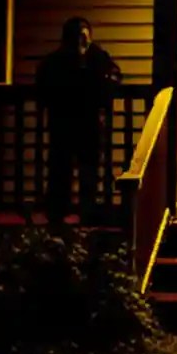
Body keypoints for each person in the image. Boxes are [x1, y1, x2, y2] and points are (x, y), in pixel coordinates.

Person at [37, 17, 122, 225]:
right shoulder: (54, 61)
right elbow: (44, 87)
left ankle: (87, 211)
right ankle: (57, 213)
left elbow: (114, 77)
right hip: (63, 122)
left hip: (88, 123)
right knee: (60, 170)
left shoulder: (97, 57)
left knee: (89, 171)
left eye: (84, 36)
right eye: (76, 36)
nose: (80, 41)